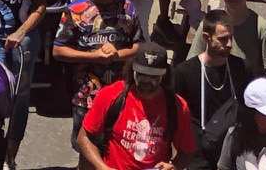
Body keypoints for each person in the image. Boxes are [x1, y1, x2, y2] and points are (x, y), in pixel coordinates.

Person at [76, 41, 198, 170]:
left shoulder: (177, 106)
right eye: (142, 74)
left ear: (164, 75)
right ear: (132, 70)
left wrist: (174, 166)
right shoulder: (110, 95)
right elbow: (84, 138)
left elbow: (187, 151)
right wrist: (102, 167)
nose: (147, 81)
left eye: (154, 77)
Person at [55, 0, 144, 117]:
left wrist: (117, 55)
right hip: (85, 94)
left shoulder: (128, 8)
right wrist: (94, 56)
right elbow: (58, 50)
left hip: (120, 92)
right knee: (83, 133)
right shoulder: (75, 10)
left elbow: (139, 46)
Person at [175, 16, 255, 161]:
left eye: (231, 38)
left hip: (233, 152)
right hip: (199, 156)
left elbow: (250, 109)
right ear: (206, 38)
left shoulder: (242, 68)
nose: (229, 44)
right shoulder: (184, 72)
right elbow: (176, 116)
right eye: (223, 39)